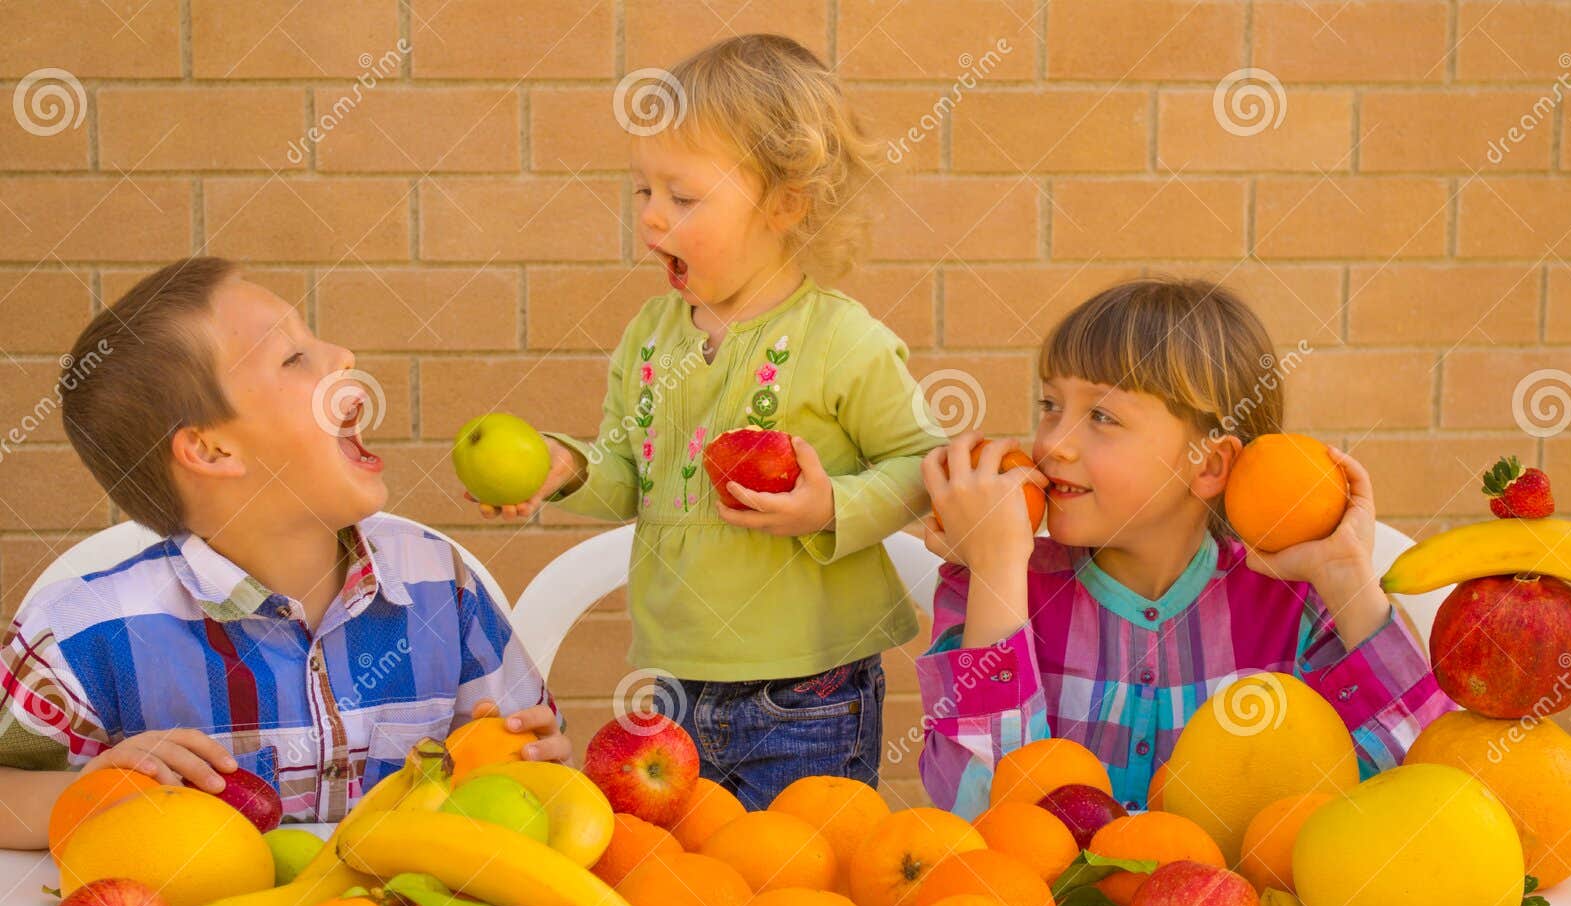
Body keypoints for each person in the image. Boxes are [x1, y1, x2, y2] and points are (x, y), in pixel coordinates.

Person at [472, 36, 944, 808]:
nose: (653, 218)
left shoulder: (840, 341)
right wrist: (566, 469)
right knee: (693, 882)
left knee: (792, 888)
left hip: (809, 692)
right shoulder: (650, 337)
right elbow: (631, 476)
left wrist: (830, 508)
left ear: (785, 204)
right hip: (677, 684)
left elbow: (924, 464)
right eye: (643, 192)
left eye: (683, 198)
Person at [0, 258, 565, 849]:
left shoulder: (439, 585)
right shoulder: (82, 636)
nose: (343, 355)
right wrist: (95, 790)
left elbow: (528, 763)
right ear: (212, 449)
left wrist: (537, 755)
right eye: (293, 358)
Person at [916, 277, 1454, 818]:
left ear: (1209, 463)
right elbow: (975, 807)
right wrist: (997, 567)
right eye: (1050, 404)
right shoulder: (995, 584)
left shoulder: (1294, 604)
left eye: (1102, 416)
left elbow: (1421, 792)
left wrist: (1346, 580)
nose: (1054, 442)